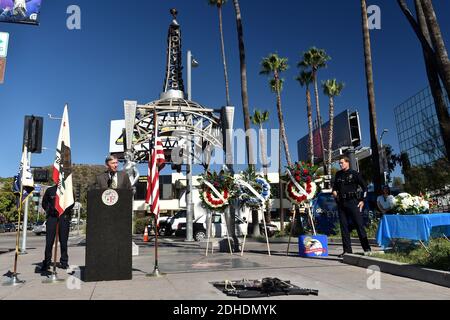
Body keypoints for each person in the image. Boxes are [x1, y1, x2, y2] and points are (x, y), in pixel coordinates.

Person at [332, 156, 372, 257]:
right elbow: (335, 188)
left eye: (342, 163)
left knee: (359, 225)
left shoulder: (354, 174)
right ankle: (347, 251)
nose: (340, 164)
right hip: (341, 203)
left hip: (353, 202)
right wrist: (335, 194)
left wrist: (362, 200)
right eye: (339, 163)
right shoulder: (338, 174)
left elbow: (365, 188)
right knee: (344, 228)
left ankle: (367, 249)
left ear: (347, 162)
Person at [40, 185, 74, 271]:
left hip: (63, 218)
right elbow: (44, 203)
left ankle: (64, 262)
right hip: (52, 217)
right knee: (49, 242)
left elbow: (72, 203)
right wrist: (50, 209)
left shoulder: (68, 190)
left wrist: (64, 210)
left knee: (63, 242)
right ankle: (47, 262)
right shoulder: (50, 190)